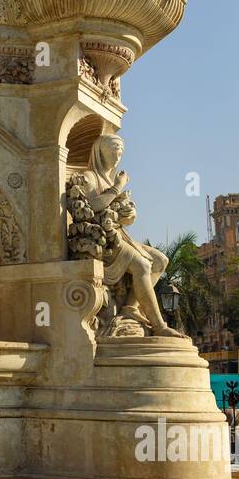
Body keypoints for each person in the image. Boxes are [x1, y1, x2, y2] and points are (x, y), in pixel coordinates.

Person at [79, 135, 184, 338]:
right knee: (142, 265)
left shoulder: (111, 178)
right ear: (99, 151)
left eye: (120, 150)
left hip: (120, 233)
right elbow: (94, 206)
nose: (117, 155)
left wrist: (128, 214)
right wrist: (118, 186)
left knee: (161, 261)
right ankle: (159, 325)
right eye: (112, 149)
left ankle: (130, 307)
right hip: (103, 238)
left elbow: (118, 213)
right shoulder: (90, 176)